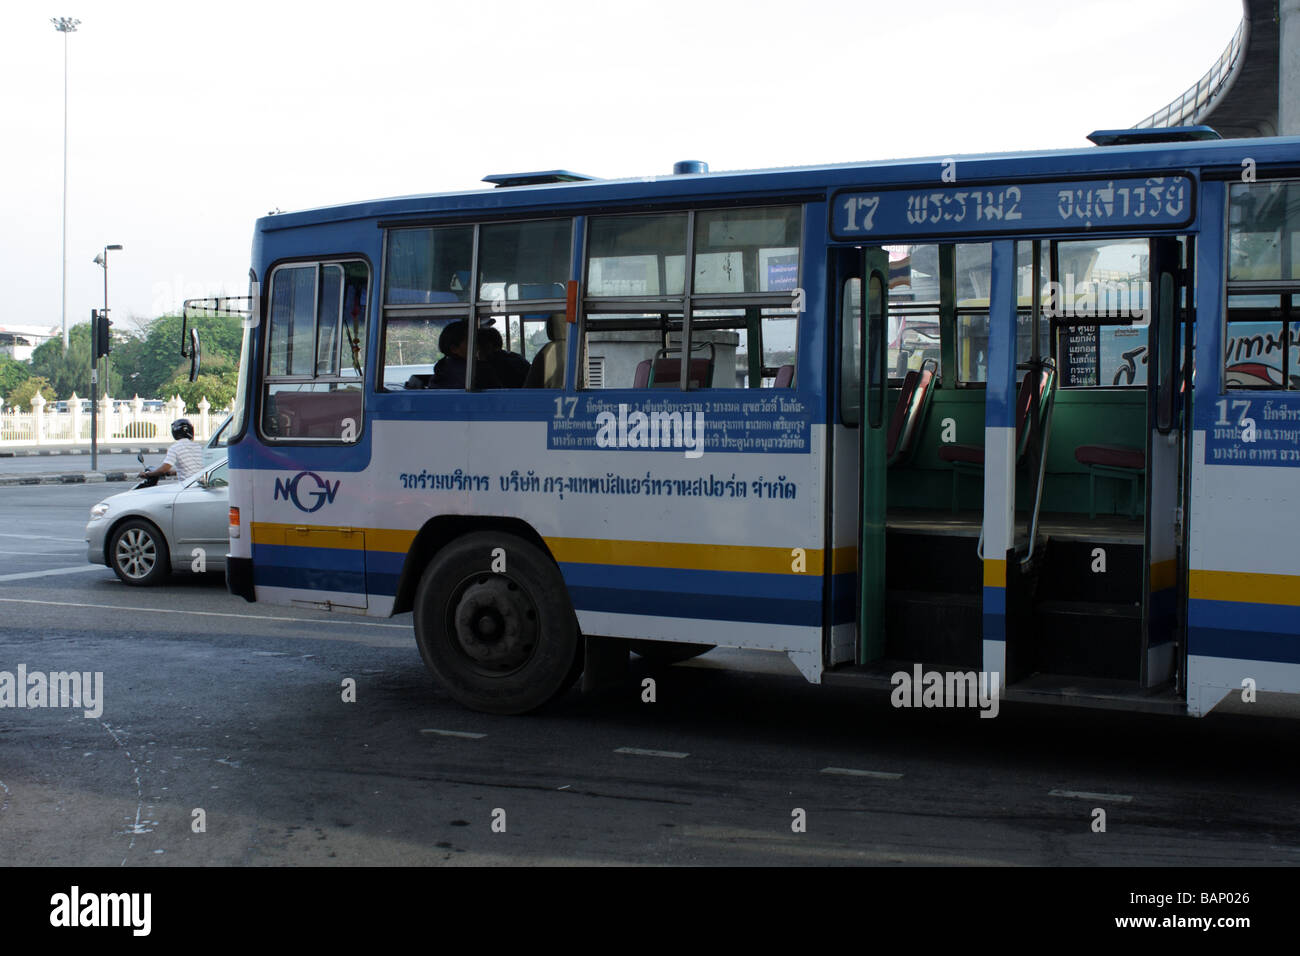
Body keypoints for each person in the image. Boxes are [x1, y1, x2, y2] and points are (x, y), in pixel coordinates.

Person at [139, 419, 204, 483]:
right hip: (200, 484)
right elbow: (192, 469)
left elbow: (164, 469)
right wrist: (173, 472)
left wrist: (147, 474)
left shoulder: (175, 447)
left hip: (187, 486)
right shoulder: (198, 447)